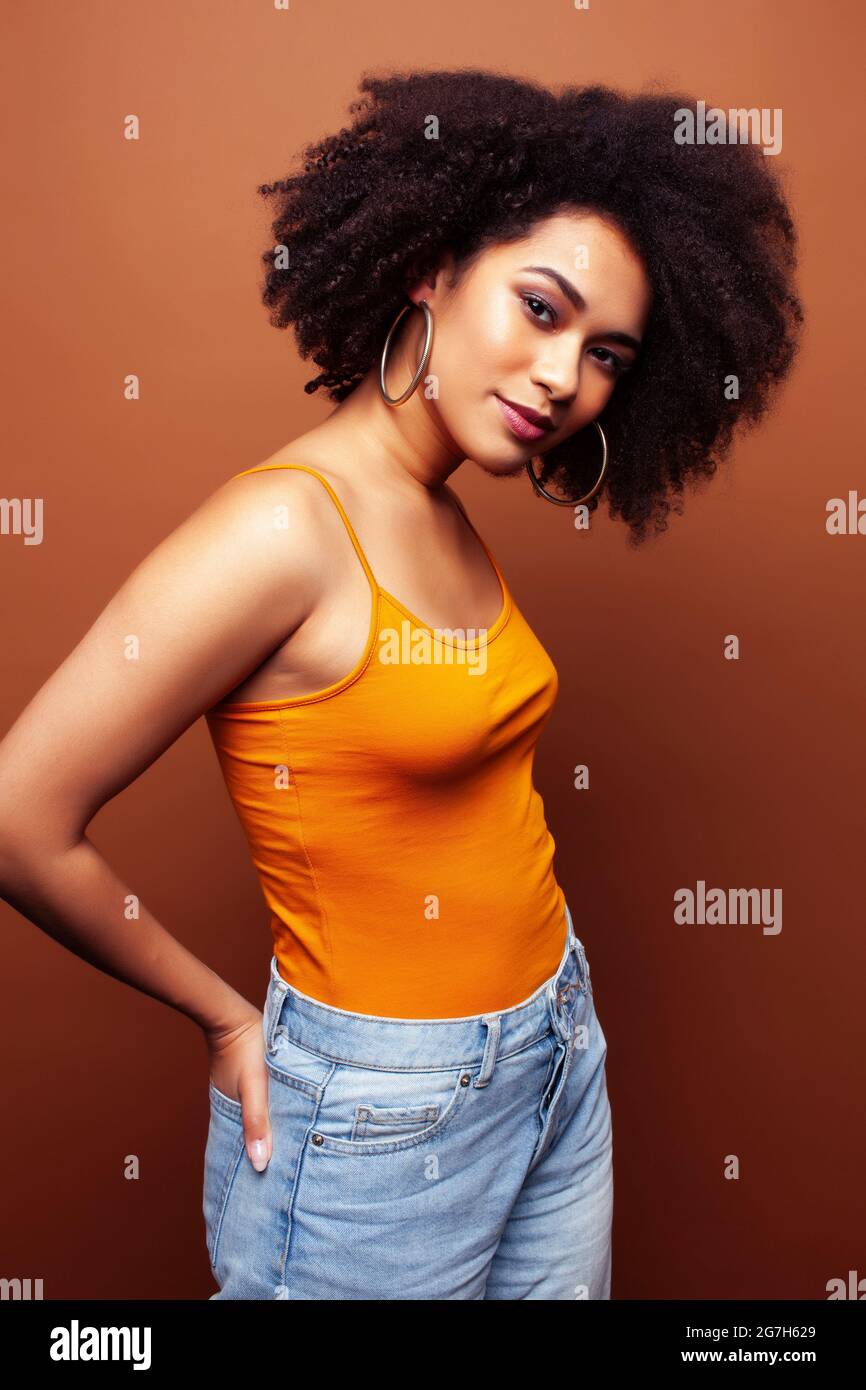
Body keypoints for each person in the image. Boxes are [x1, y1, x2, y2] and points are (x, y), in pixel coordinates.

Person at [0, 69, 803, 1300]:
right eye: (538, 309)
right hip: (382, 1122)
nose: (559, 376)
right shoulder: (282, 529)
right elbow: (19, 814)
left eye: (601, 354)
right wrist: (226, 1019)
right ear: (431, 267)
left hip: (552, 1047)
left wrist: (549, 1029)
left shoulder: (434, 508)